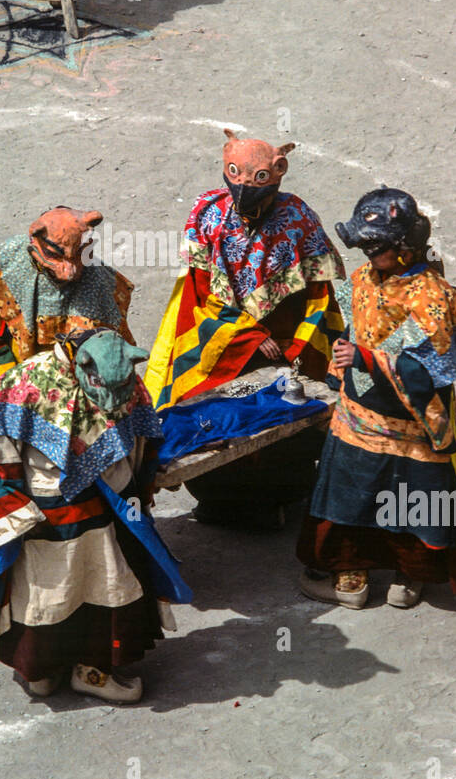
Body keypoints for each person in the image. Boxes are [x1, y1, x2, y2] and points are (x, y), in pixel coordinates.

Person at [0, 328, 191, 701]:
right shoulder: (23, 385)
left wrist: (136, 489)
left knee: (107, 581)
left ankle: (93, 670)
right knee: (46, 592)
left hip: (109, 506)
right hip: (42, 514)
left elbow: (143, 438)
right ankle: (42, 668)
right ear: (81, 367)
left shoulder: (131, 385)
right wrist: (14, 509)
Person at [297, 187, 456, 609]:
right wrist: (343, 365)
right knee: (351, 493)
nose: (369, 256)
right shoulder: (361, 280)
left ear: (405, 246)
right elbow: (351, 329)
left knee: (414, 496)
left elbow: (436, 369)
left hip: (415, 424)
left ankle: (411, 574)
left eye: (378, 247)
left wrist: (367, 360)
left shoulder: (434, 297)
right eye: (364, 246)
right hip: (359, 418)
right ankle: (352, 575)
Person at [144, 128, 345, 520]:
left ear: (279, 174)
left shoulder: (299, 217)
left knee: (286, 422)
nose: (245, 196)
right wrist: (247, 336)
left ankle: (279, 502)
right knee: (219, 423)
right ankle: (224, 504)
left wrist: (296, 348)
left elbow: (319, 294)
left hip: (288, 349)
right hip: (221, 345)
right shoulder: (207, 213)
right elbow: (198, 296)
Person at [0, 205, 134, 412]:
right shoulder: (5, 269)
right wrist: (15, 385)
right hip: (10, 382)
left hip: (77, 396)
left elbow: (114, 349)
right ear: (35, 241)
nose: (68, 272)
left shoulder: (101, 284)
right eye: (56, 256)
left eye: (77, 256)